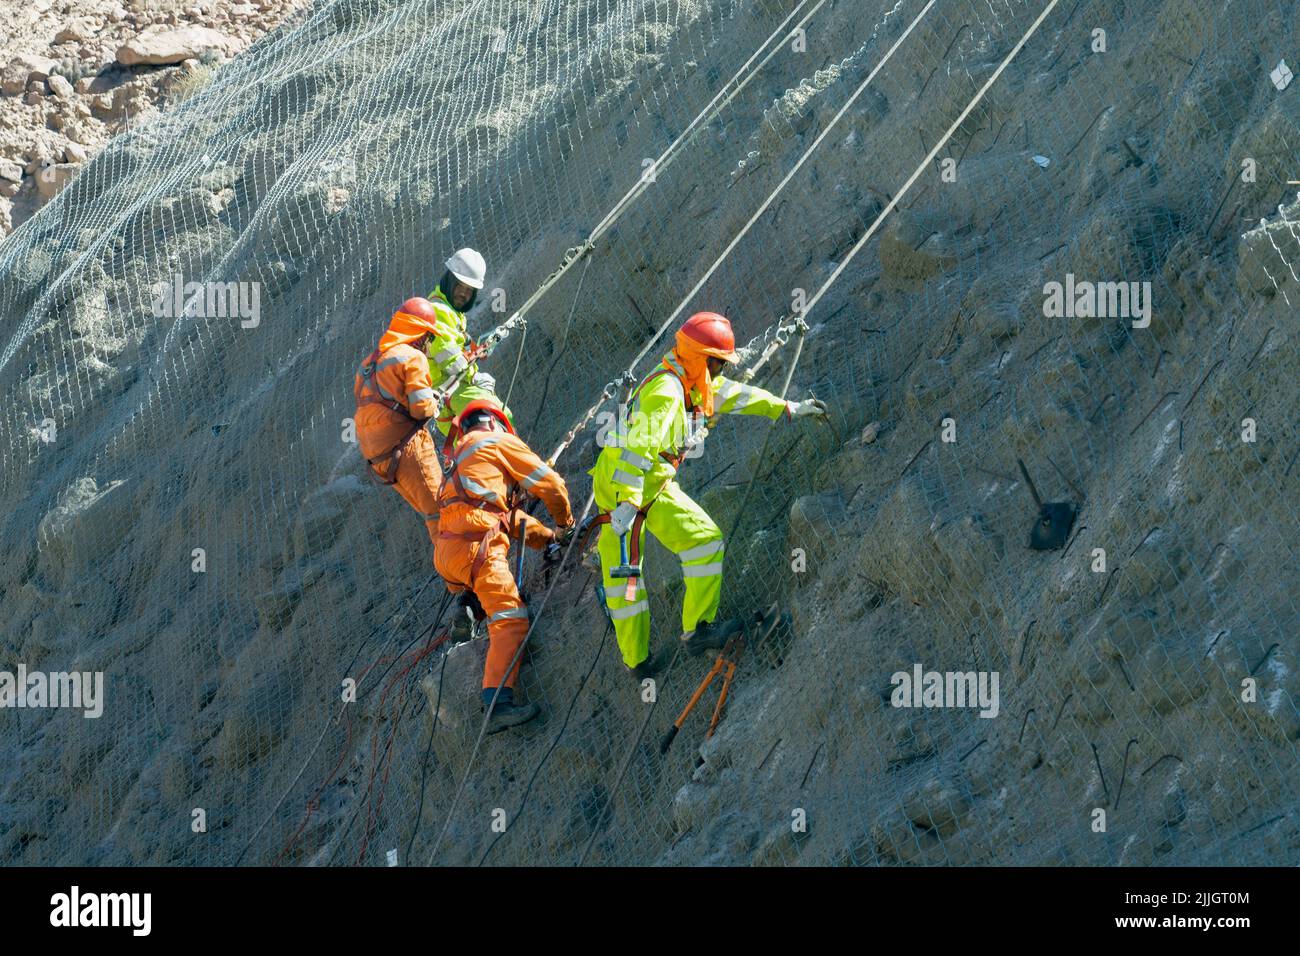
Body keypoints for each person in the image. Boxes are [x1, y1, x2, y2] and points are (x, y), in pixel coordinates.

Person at [589, 312, 827, 680]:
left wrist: (787, 408)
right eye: (717, 362)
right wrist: (626, 503)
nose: (720, 370)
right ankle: (637, 661)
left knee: (704, 540)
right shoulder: (667, 393)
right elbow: (636, 450)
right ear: (702, 357)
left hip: (654, 484)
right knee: (626, 580)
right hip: (622, 488)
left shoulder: (693, 381)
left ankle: (697, 630)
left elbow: (736, 395)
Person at [434, 399, 575, 732]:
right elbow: (550, 483)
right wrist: (565, 524)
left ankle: (470, 604)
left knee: (482, 586)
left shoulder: (458, 464)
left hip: (450, 554)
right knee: (512, 620)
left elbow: (507, 519)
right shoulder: (496, 441)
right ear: (495, 423)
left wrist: (548, 538)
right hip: (476, 549)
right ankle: (497, 704)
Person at [353, 297, 448, 547]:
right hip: (405, 449)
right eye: (430, 337)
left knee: (432, 514)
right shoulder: (411, 357)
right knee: (444, 513)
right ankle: (463, 579)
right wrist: (434, 401)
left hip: (379, 458)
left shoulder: (368, 364)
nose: (429, 345)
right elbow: (422, 409)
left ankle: (457, 576)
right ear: (420, 334)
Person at [424, 247, 515, 438]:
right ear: (449, 280)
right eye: (460, 286)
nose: (463, 294)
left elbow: (458, 345)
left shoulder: (451, 312)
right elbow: (451, 361)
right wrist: (474, 377)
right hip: (446, 388)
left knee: (490, 426)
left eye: (469, 290)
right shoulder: (438, 311)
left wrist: (475, 348)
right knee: (493, 418)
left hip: (449, 390)